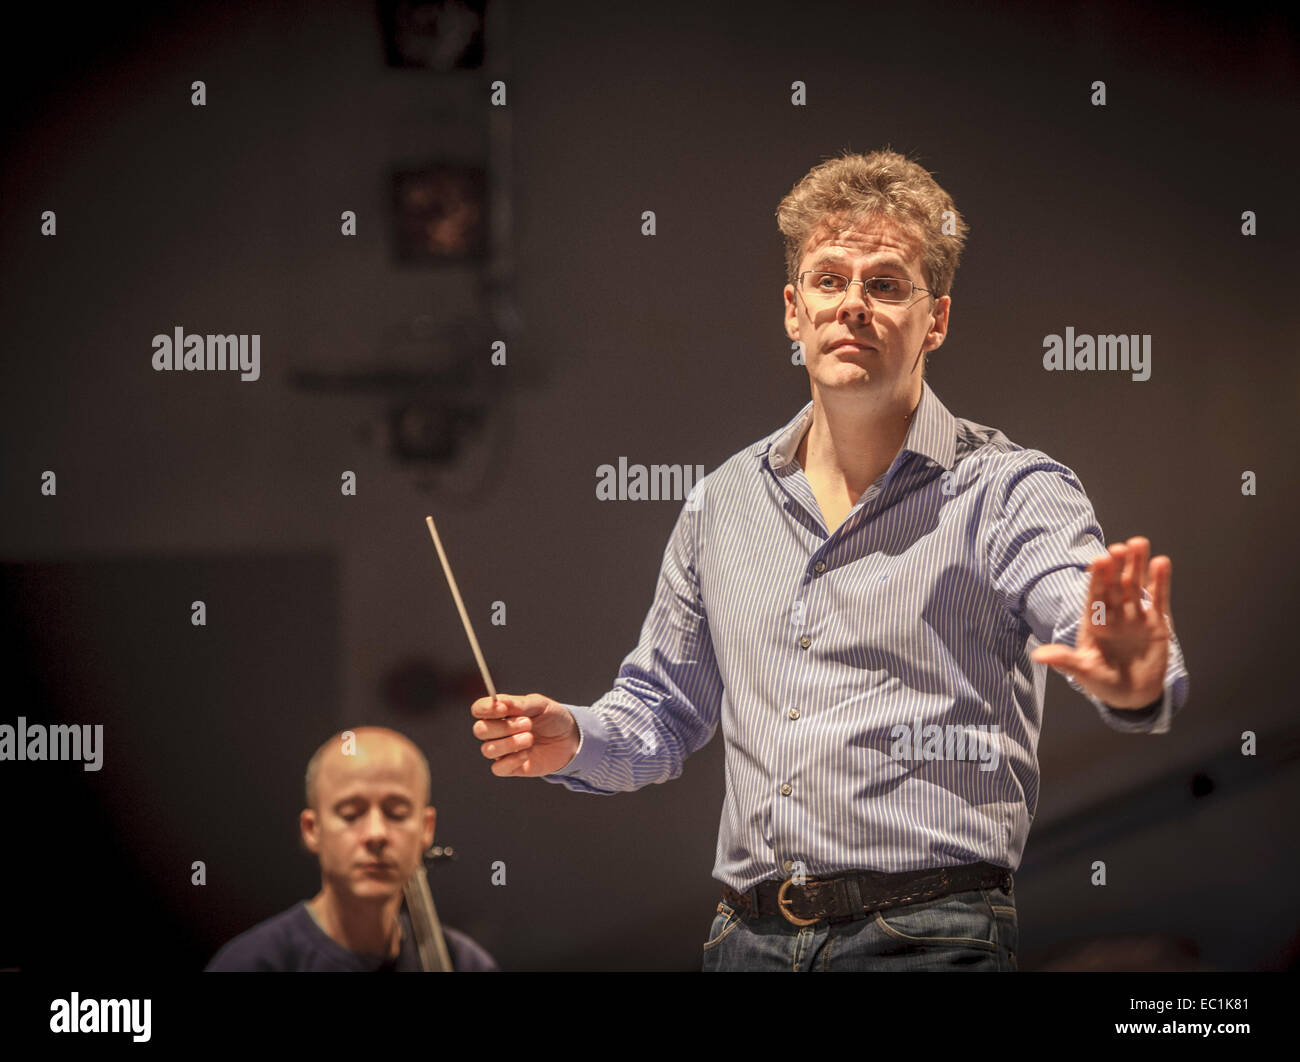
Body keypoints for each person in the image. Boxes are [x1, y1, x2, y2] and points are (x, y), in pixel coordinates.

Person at [469, 148, 1189, 972]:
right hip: (744, 939)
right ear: (792, 309)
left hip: (927, 933)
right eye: (829, 280)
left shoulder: (1009, 490)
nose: (853, 305)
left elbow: (1090, 620)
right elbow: (662, 712)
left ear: (937, 319)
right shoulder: (721, 502)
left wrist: (1133, 676)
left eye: (885, 284)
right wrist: (571, 737)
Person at [207, 726, 496, 971]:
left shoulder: (466, 962)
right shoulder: (254, 963)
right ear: (312, 829)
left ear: (426, 828)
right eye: (350, 814)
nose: (376, 834)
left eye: (396, 813)